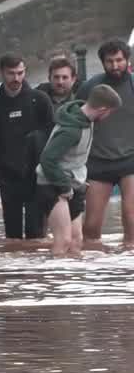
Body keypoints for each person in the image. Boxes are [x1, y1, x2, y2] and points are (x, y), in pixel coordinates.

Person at [36, 84, 122, 257]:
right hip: (52, 185)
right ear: (102, 109)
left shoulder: (87, 120)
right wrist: (64, 186)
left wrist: (79, 180)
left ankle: (73, 281)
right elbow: (47, 159)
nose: (108, 117)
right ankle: (51, 280)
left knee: (76, 241)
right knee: (64, 240)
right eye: (109, 113)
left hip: (73, 185)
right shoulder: (71, 130)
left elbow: (75, 158)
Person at [0, 53, 54, 239]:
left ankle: (34, 267)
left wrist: (48, 169)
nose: (16, 78)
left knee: (36, 233)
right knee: (12, 235)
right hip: (8, 177)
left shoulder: (40, 100)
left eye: (20, 73)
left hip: (37, 176)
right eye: (11, 73)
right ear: (2, 73)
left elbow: (52, 136)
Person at [76, 39, 134, 244]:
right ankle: (96, 271)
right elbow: (76, 121)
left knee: (132, 220)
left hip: (130, 161)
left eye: (119, 60)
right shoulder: (90, 87)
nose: (115, 65)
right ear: (102, 62)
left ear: (127, 60)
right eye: (110, 61)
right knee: (91, 227)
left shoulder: (132, 84)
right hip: (98, 161)